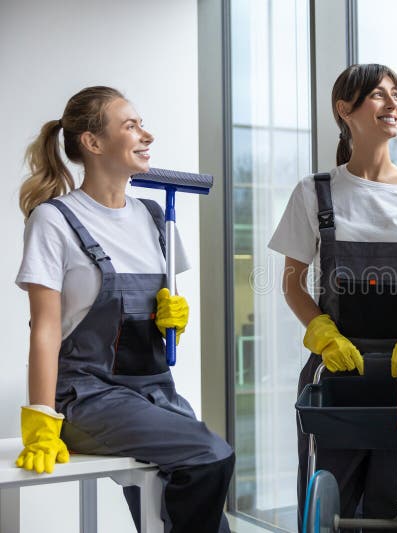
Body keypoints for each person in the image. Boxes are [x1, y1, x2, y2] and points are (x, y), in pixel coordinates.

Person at [15, 86, 234, 533]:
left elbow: (147, 319)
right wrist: (40, 417)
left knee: (194, 484)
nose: (146, 134)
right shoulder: (54, 220)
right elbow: (45, 330)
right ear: (93, 143)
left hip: (153, 389)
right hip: (88, 396)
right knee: (209, 454)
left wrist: (171, 317)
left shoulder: (155, 217)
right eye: (130, 126)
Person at [268, 63, 397, 528]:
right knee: (329, 507)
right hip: (337, 383)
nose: (392, 104)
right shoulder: (315, 193)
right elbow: (292, 281)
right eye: (378, 95)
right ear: (344, 110)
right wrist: (323, 334)